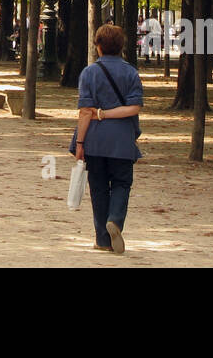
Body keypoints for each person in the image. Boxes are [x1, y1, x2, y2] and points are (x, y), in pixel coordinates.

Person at [70, 24, 143, 254]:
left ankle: (102, 238)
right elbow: (134, 107)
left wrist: (80, 143)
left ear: (98, 46)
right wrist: (111, 114)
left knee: (99, 187)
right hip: (122, 140)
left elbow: (85, 113)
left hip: (95, 141)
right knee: (122, 183)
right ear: (121, 47)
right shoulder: (131, 72)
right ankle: (115, 220)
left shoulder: (89, 73)